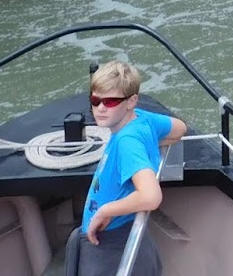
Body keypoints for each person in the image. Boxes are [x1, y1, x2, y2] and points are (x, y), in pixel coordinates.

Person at [67, 60, 186, 276]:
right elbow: (179, 128)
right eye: (95, 100)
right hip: (123, 234)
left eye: (111, 102)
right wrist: (149, 144)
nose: (100, 108)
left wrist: (106, 210)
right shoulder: (143, 119)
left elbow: (151, 196)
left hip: (110, 245)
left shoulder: (127, 142)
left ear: (131, 101)